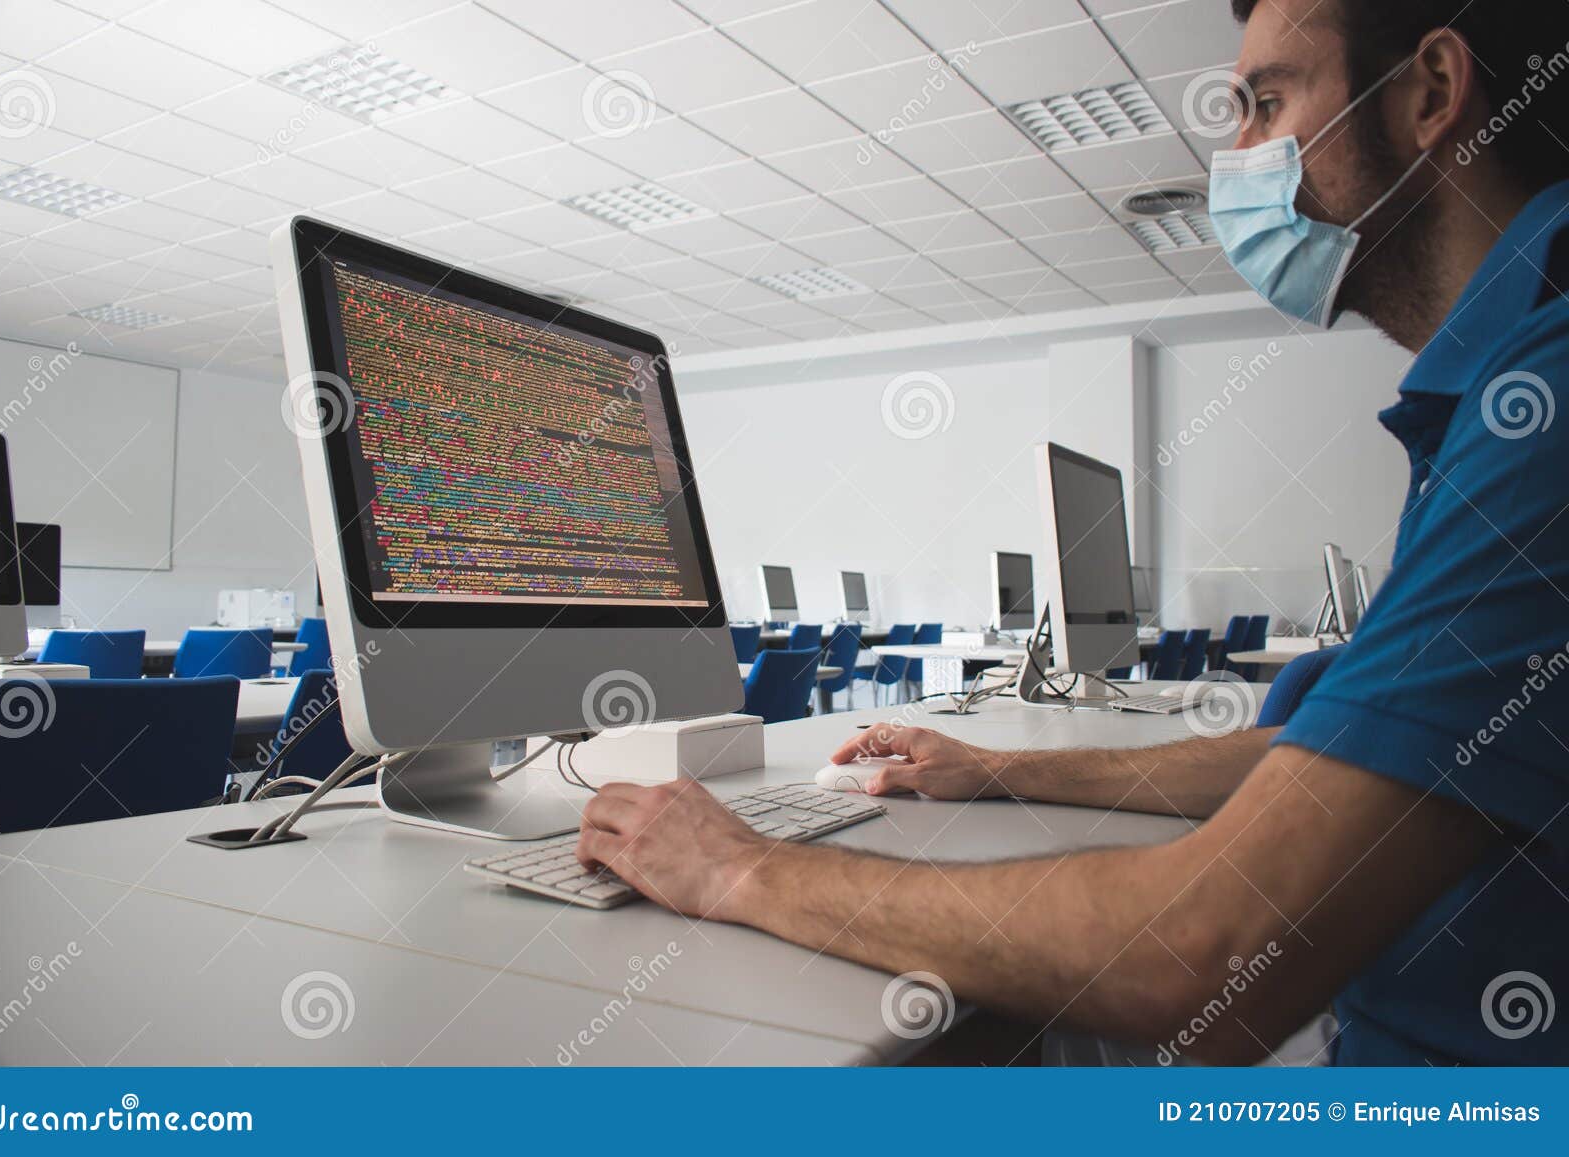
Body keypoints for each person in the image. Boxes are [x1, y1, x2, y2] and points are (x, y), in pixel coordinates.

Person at [575, 0, 1569, 1065]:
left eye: (1266, 101)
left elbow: (1199, 947)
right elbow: (1301, 759)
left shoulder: (1544, 398)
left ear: (1429, 94)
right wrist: (1003, 771)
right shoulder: (1491, 397)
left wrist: (740, 868)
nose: (1234, 153)